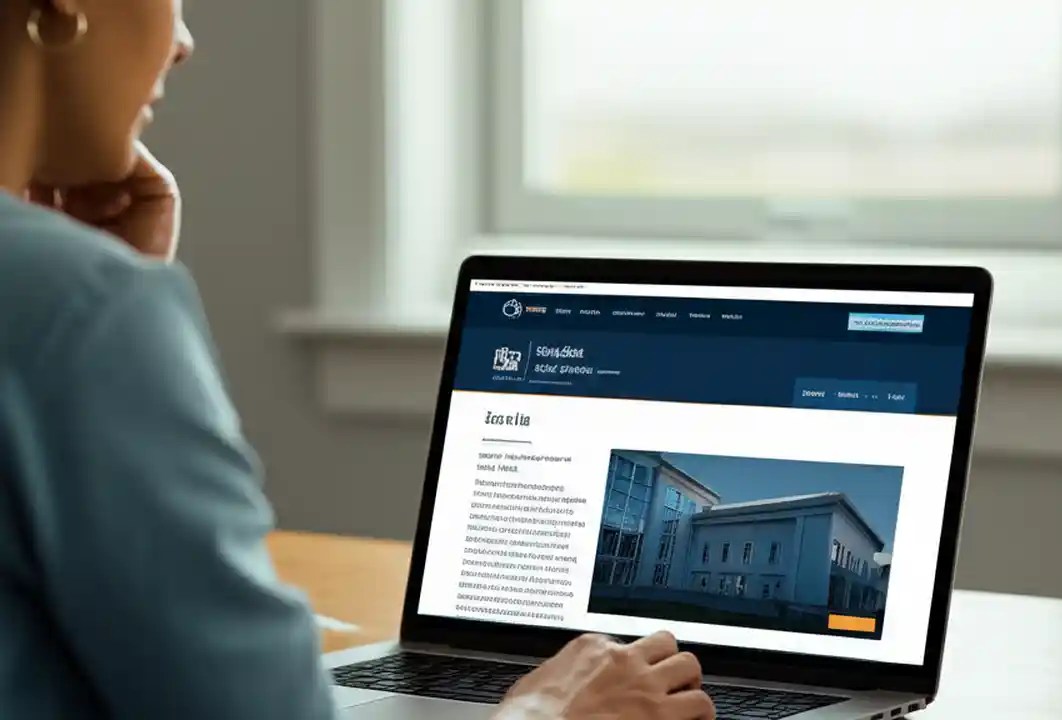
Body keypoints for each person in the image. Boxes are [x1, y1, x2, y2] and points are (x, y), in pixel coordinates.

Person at [0, 2, 715, 719]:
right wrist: (550, 712)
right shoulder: (80, 306)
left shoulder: (68, 302)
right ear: (63, 9)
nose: (183, 42)